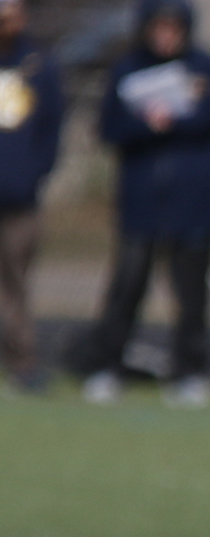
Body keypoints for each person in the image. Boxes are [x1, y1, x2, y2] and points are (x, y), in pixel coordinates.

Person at [77, 0, 210, 407]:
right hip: (141, 201)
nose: (166, 35)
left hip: (192, 201)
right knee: (126, 288)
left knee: (191, 295)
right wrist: (146, 124)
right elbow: (108, 127)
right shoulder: (126, 68)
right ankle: (107, 365)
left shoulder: (202, 66)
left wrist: (174, 119)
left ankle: (190, 371)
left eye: (174, 27)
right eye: (160, 26)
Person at [0, 0, 62, 393]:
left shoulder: (39, 64)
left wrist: (30, 175)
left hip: (18, 198)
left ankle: (22, 362)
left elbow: (53, 127)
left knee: (14, 284)